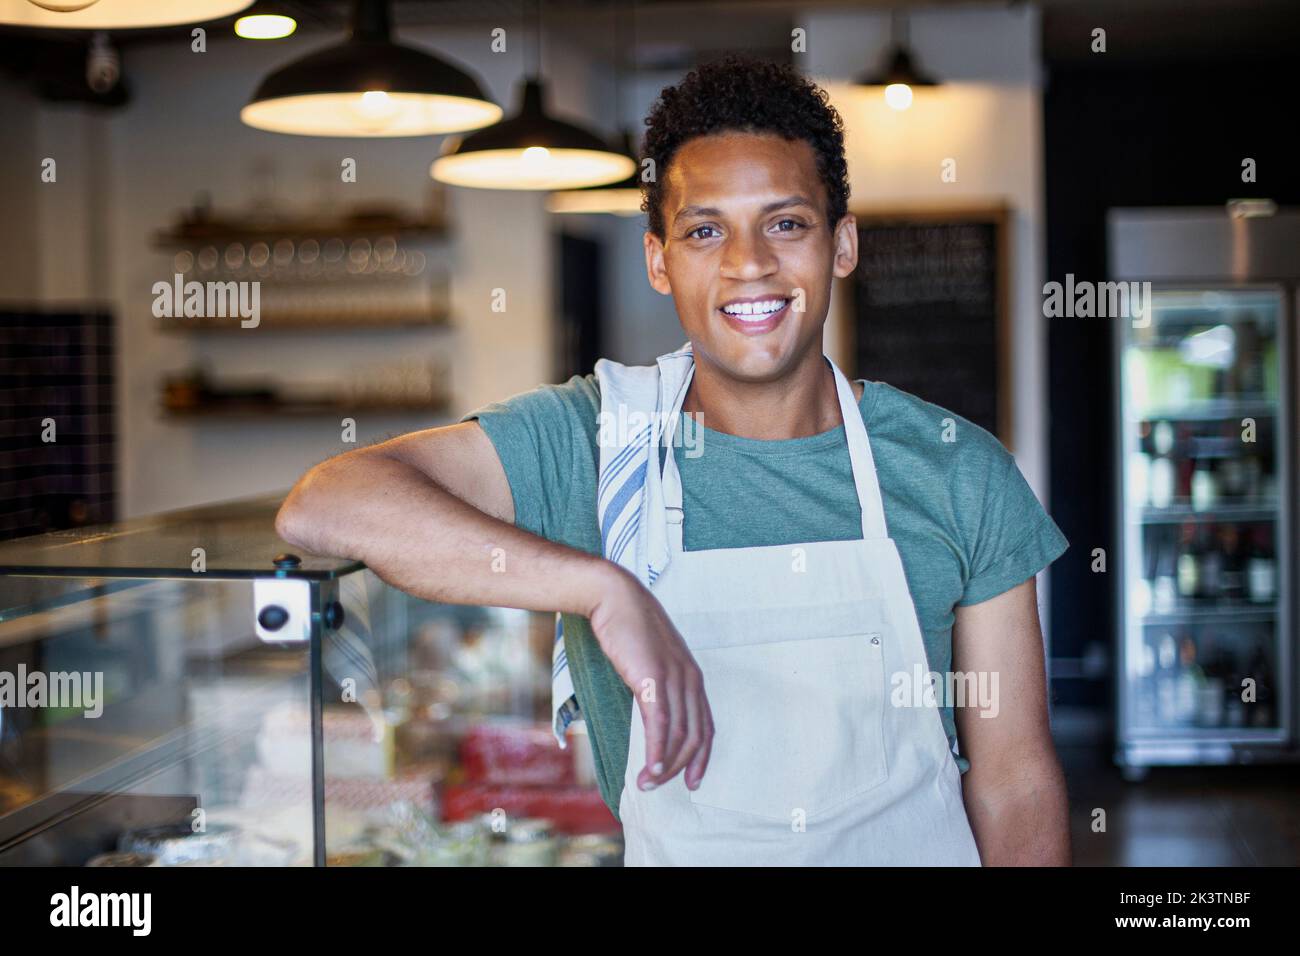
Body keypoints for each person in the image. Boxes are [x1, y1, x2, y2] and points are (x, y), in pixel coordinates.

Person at [277, 55, 1071, 866]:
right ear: (659, 261)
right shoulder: (592, 442)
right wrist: (602, 590)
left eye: (786, 222)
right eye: (704, 230)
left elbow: (1014, 782)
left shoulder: (958, 470)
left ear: (842, 243)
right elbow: (327, 503)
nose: (748, 262)